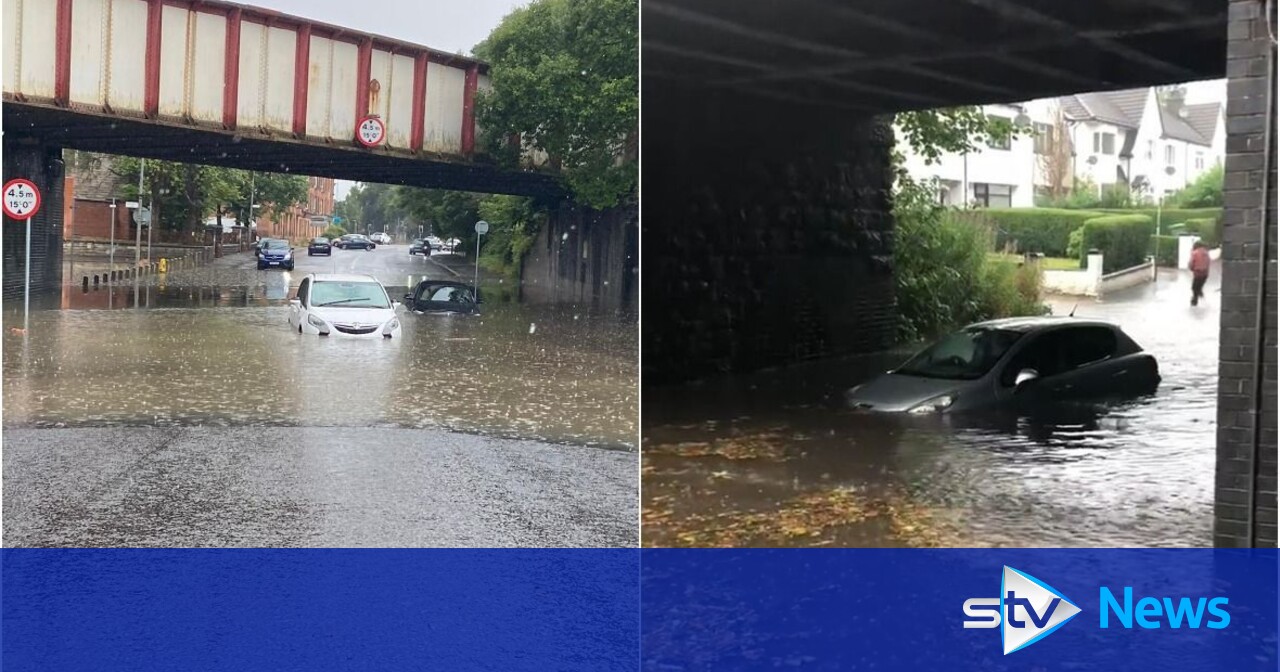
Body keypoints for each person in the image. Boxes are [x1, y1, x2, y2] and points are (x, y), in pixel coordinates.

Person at [1188, 241, 1212, 306]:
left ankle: (1194, 300)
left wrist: (1191, 268)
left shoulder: (1195, 253)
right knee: (1200, 284)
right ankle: (1200, 292)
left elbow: (1191, 263)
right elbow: (1208, 262)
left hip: (1197, 273)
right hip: (1205, 273)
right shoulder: (1206, 253)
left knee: (1194, 287)